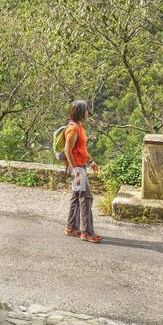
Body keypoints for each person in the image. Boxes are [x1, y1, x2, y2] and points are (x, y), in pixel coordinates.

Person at [63, 100, 102, 242]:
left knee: (77, 196)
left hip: (80, 167)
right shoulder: (73, 129)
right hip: (77, 169)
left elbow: (82, 149)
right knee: (86, 197)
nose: (87, 113)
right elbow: (67, 151)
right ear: (80, 112)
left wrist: (91, 161)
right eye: (86, 110)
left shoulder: (80, 127)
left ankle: (71, 227)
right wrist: (76, 170)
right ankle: (87, 232)